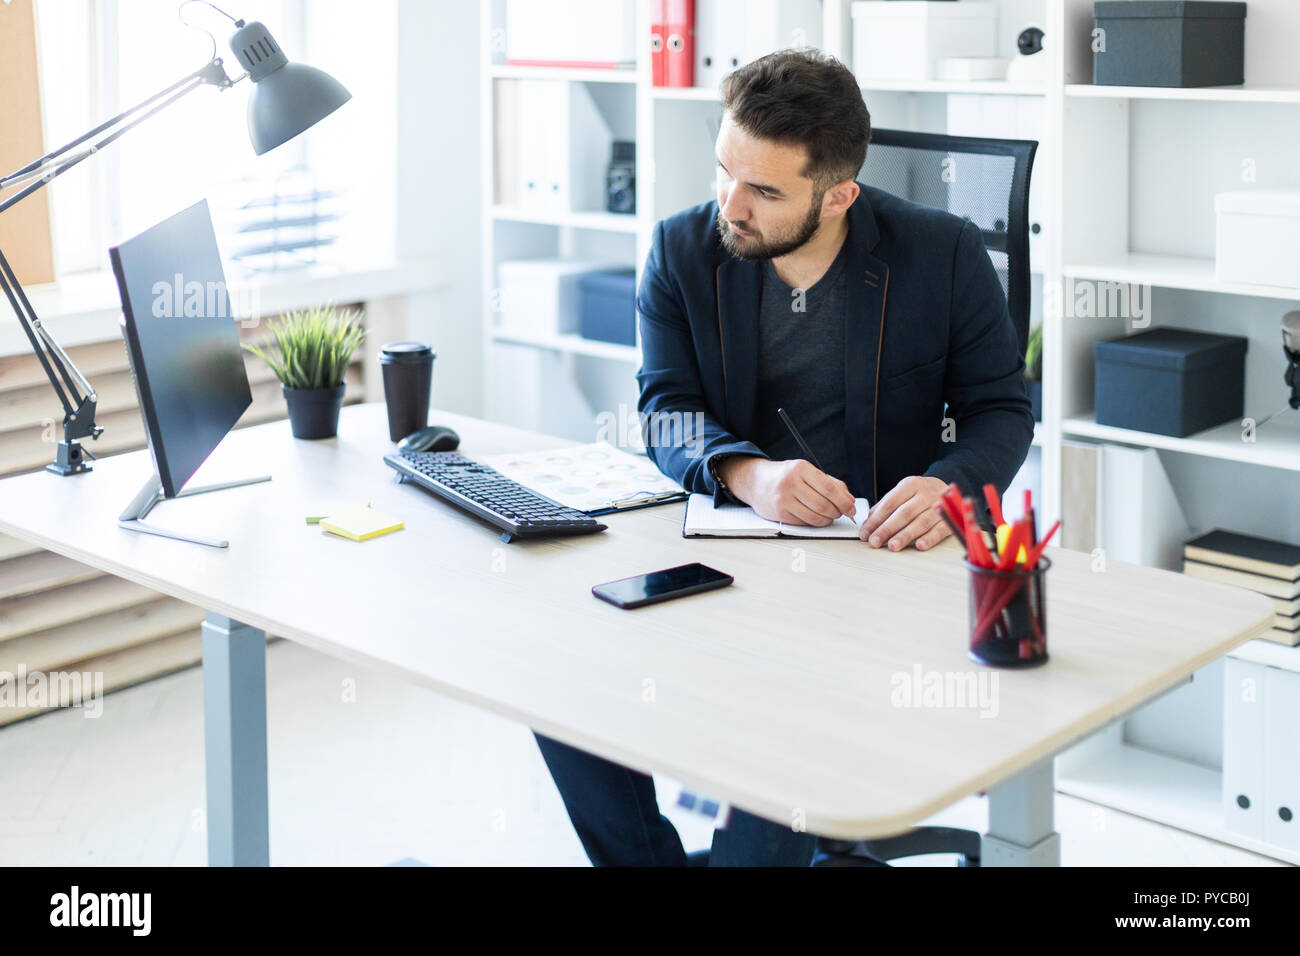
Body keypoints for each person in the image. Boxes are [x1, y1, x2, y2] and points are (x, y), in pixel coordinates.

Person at [536, 49, 1033, 867]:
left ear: (839, 195)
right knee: (558, 679)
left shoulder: (940, 255)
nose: (731, 206)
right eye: (725, 171)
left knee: (773, 774)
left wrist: (951, 487)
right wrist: (747, 473)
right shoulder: (682, 250)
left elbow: (1001, 410)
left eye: (764, 191)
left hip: (874, 571)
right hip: (731, 558)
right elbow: (664, 412)